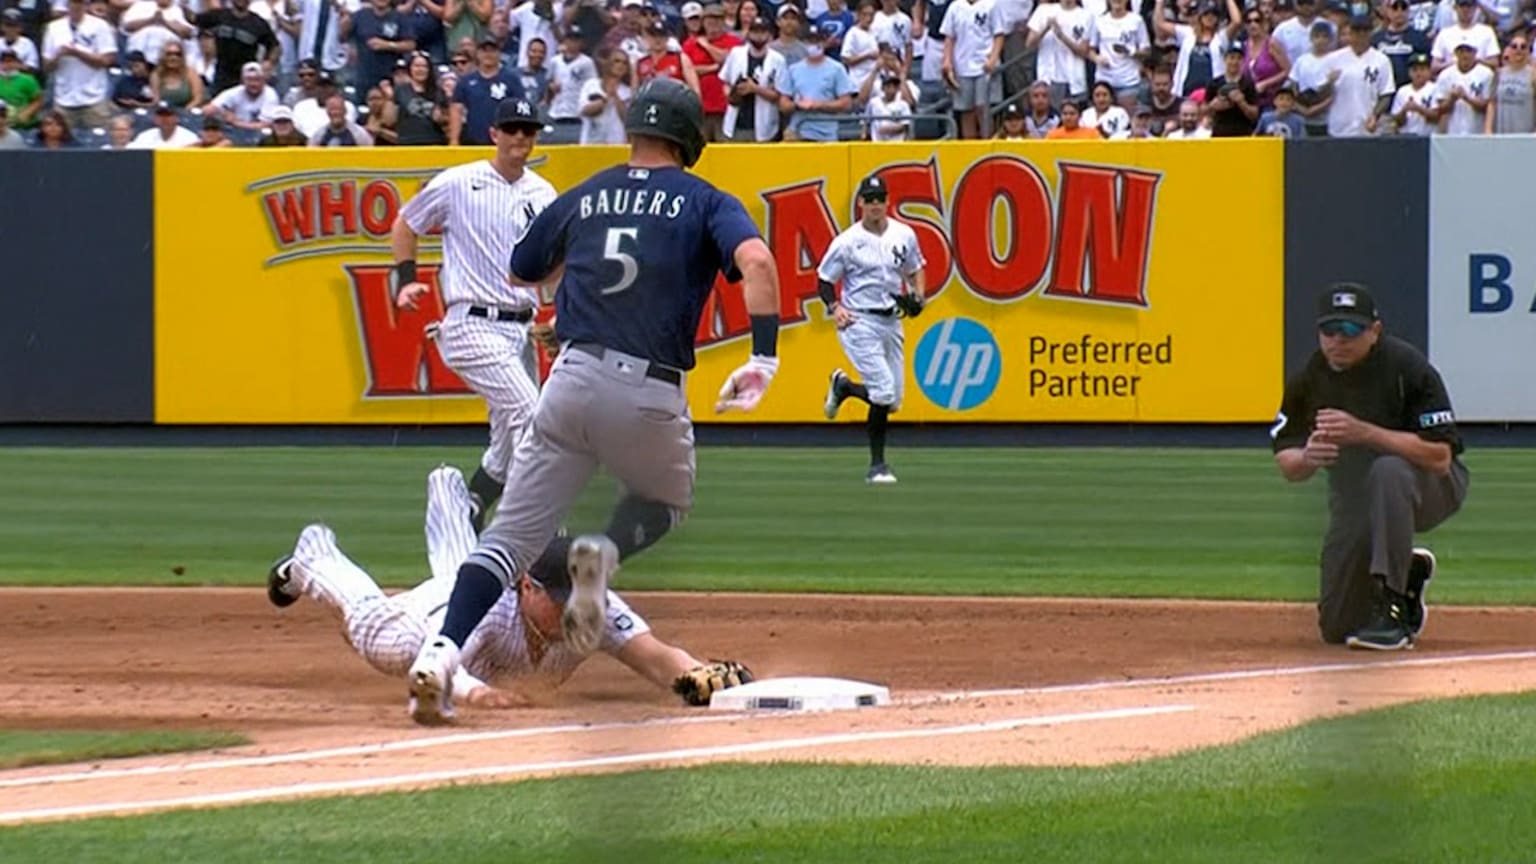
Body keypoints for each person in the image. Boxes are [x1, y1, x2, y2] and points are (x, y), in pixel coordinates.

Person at [405, 78, 782, 725]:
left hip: (570, 380)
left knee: (505, 541)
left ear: (633, 128)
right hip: (647, 389)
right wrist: (764, 358)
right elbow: (759, 263)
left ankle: (439, 655)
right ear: (689, 138)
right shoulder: (705, 200)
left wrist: (579, 274)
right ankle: (600, 555)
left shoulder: (583, 194)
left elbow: (521, 269)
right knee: (664, 502)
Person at [268, 467, 752, 713]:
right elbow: (437, 667)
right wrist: (477, 694)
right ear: (526, 587)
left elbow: (656, 658)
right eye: (560, 599)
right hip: (431, 621)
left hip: (478, 590)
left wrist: (697, 677)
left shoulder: (594, 609)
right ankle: (314, 555)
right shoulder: (490, 610)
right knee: (373, 631)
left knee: (465, 566)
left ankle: (449, 495)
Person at [1270, 283, 1468, 650]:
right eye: (1330, 330)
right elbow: (1287, 461)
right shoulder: (1309, 380)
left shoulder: (1406, 368)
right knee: (1337, 627)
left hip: (1430, 488)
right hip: (1356, 502)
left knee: (1388, 470)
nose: (1338, 339)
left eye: (1350, 329)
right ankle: (1407, 567)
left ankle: (1392, 606)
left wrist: (1365, 433)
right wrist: (1309, 457)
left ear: (1374, 331)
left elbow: (1440, 457)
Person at [391, 98, 553, 538]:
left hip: (520, 328)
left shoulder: (543, 193)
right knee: (533, 417)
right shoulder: (459, 181)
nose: (520, 137)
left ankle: (468, 513)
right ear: (493, 134)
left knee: (505, 447)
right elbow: (406, 224)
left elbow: (556, 262)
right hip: (471, 322)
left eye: (528, 129)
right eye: (512, 128)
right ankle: (533, 532)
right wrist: (405, 280)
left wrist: (565, 313)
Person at [818, 175, 925, 484]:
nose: (875, 205)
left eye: (880, 199)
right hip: (859, 320)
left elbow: (916, 268)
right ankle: (877, 466)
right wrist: (835, 308)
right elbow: (824, 279)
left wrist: (919, 296)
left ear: (887, 201)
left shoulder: (903, 234)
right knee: (883, 391)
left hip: (891, 320)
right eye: (870, 199)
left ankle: (844, 387)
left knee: (893, 402)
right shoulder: (847, 242)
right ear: (861, 203)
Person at [940, 0, 1004, 138]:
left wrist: (993, 58)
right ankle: (970, 144)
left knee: (983, 108)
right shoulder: (955, 7)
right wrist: (947, 61)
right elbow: (949, 37)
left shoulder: (991, 5)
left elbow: (998, 35)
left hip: (984, 66)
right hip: (962, 66)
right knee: (966, 110)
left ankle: (987, 142)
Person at [449, 32, 524, 144]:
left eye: (492, 50)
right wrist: (454, 140)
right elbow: (456, 110)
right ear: (477, 53)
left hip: (504, 141)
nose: (488, 54)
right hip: (473, 141)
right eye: (484, 50)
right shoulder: (466, 81)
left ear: (499, 53)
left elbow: (520, 109)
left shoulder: (512, 80)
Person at [720, 15, 786, 141]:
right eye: (755, 32)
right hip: (736, 123)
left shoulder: (777, 60)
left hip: (764, 125)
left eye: (762, 32)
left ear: (769, 35)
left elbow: (779, 95)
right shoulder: (736, 53)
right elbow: (725, 81)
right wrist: (731, 94)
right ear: (749, 33)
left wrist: (755, 89)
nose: (759, 36)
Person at [1092, 0, 1149, 109]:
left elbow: (1146, 51)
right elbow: (1090, 49)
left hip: (1129, 82)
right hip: (1104, 80)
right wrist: (1096, 58)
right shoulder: (1100, 21)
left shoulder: (1136, 20)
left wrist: (1129, 51)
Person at [1434, 39, 1494, 134]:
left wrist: (1466, 97)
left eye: (1468, 51)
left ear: (1475, 53)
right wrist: (1452, 99)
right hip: (1453, 132)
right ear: (1456, 53)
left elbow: (1487, 106)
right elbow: (1440, 110)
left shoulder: (1486, 73)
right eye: (1461, 51)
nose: (1465, 55)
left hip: (1478, 132)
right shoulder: (1445, 75)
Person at [1204, 42, 1260, 135]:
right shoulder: (1214, 83)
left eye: (1239, 58)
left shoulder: (1248, 83)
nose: (1235, 62)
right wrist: (1213, 106)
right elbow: (1203, 111)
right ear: (1225, 59)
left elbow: (1255, 115)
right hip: (1219, 134)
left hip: (1243, 133)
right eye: (1232, 57)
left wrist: (1242, 103)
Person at [579, 47, 633, 143]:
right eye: (617, 61)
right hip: (590, 143)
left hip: (616, 143)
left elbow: (627, 119)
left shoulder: (627, 91)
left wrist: (615, 96)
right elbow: (584, 111)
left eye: (624, 63)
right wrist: (606, 97)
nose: (621, 65)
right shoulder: (591, 85)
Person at [1486, 34, 1536, 133]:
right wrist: (1488, 128)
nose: (1518, 49)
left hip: (1526, 134)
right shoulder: (1499, 74)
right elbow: (1492, 103)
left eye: (1523, 47)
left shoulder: (1533, 74)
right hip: (1501, 132)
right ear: (1508, 50)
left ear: (1528, 51)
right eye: (1514, 46)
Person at [1389, 51, 1436, 134]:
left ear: (1429, 71)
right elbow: (1397, 121)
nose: (1418, 73)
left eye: (1422, 69)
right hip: (1406, 136)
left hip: (1427, 136)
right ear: (1409, 72)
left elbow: (1437, 117)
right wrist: (1404, 110)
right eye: (1415, 70)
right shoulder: (1402, 91)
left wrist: (1418, 108)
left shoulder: (1435, 89)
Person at [129, 100, 199, 146]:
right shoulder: (145, 137)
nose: (164, 119)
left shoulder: (189, 138)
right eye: (160, 115)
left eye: (168, 115)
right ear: (155, 119)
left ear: (177, 118)